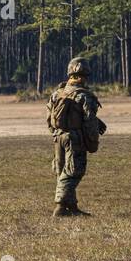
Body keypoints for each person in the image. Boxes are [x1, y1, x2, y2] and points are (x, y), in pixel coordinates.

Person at [46, 57, 105, 217]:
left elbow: (49, 117)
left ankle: (71, 207)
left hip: (58, 136)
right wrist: (92, 141)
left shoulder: (57, 93)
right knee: (73, 171)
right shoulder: (84, 96)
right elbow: (89, 121)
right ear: (83, 75)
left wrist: (57, 133)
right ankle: (59, 206)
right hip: (74, 138)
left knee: (62, 171)